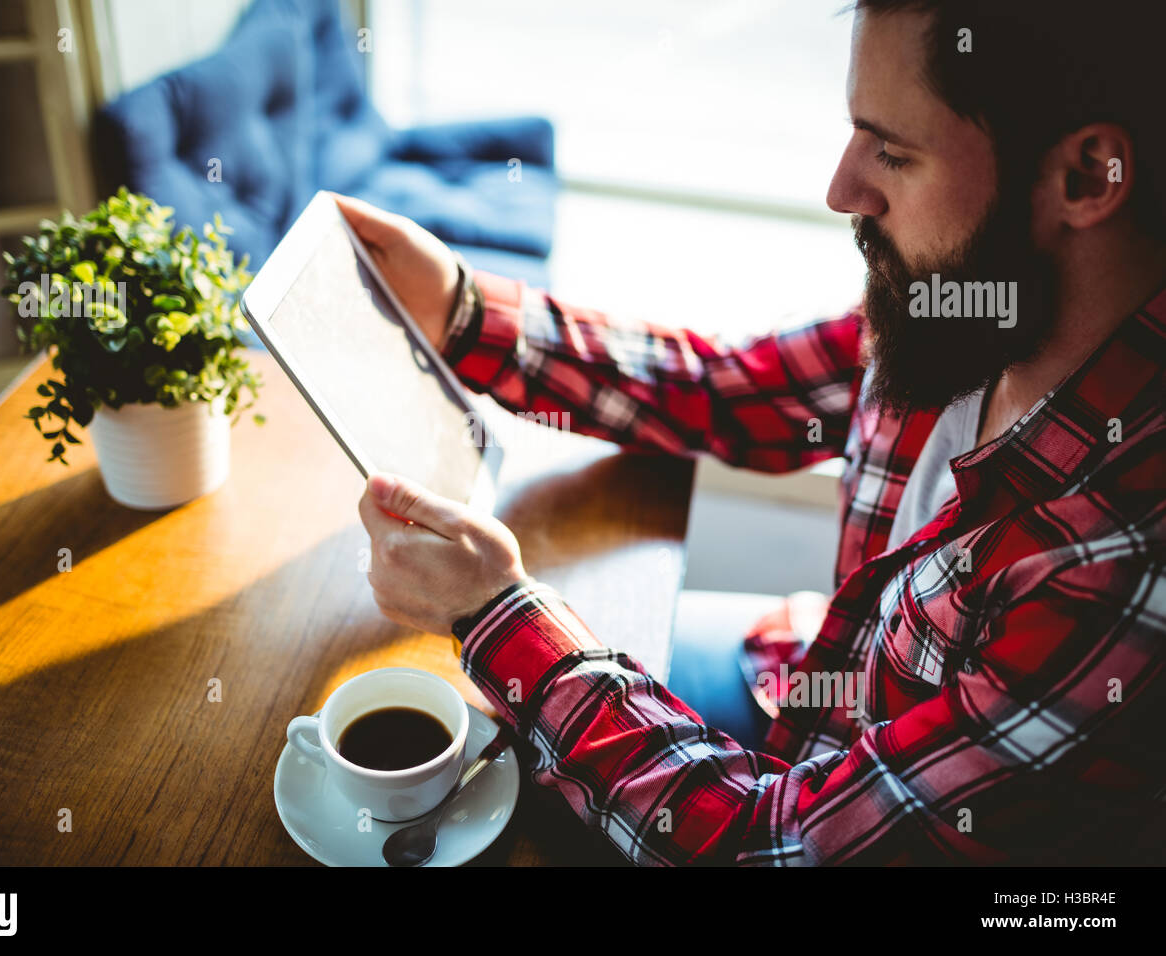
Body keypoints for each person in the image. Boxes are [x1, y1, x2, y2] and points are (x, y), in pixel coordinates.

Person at [338, 0, 1166, 864]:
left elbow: (773, 847)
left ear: (1087, 177)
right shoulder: (965, 309)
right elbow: (726, 393)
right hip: (804, 686)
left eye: (891, 150)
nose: (841, 190)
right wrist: (465, 313)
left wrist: (496, 614)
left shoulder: (1117, 571)